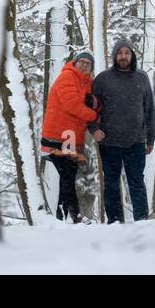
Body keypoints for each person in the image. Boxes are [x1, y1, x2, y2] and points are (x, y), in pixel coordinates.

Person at [91, 37, 155, 223]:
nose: (123, 56)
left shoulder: (142, 78)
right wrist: (94, 129)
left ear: (132, 55)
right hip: (109, 141)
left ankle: (142, 220)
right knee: (111, 183)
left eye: (127, 52)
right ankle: (115, 222)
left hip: (136, 141)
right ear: (114, 56)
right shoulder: (103, 79)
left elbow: (149, 109)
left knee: (136, 182)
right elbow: (91, 109)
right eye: (120, 53)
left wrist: (151, 137)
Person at [40, 50, 100, 223]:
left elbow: (93, 101)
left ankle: (63, 215)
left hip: (70, 139)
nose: (84, 65)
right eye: (81, 61)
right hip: (56, 138)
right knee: (67, 175)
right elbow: (72, 105)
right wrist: (94, 116)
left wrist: (96, 104)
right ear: (74, 63)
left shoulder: (86, 83)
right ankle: (74, 216)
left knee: (68, 176)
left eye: (88, 63)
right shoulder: (67, 77)